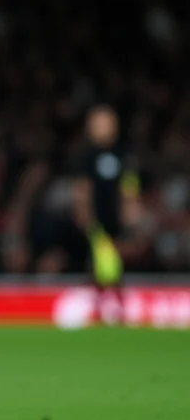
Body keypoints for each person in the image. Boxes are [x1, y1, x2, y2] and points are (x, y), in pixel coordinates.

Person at [72, 104, 138, 325]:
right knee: (103, 264)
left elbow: (128, 184)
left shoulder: (122, 153)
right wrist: (84, 214)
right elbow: (82, 188)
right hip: (96, 220)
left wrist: (130, 206)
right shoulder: (87, 156)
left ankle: (115, 307)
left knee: (115, 263)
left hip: (116, 218)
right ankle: (103, 306)